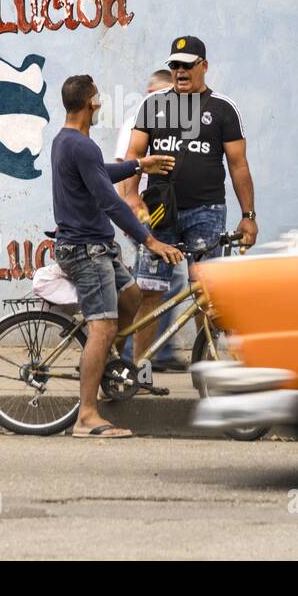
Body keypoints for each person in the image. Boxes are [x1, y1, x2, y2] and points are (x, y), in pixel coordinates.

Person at [50, 74, 183, 438]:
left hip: (98, 245)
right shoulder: (81, 145)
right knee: (103, 326)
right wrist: (149, 240)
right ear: (92, 102)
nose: (100, 102)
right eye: (98, 97)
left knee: (133, 297)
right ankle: (86, 416)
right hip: (85, 249)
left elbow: (98, 175)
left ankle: (110, 365)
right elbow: (109, 199)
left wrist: (140, 165)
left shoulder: (67, 141)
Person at [123, 36, 257, 365]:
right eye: (175, 65)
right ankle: (141, 373)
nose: (180, 71)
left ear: (204, 67)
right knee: (150, 292)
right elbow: (134, 155)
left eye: (187, 65)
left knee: (207, 293)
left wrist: (248, 215)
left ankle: (205, 372)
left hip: (207, 212)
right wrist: (129, 197)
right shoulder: (153, 106)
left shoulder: (223, 108)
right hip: (159, 215)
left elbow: (238, 165)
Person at [114, 69, 187, 369]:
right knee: (160, 283)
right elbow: (124, 165)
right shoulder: (138, 121)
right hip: (144, 213)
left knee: (162, 281)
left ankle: (154, 350)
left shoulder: (171, 120)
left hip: (157, 212)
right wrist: (135, 209)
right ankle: (138, 353)